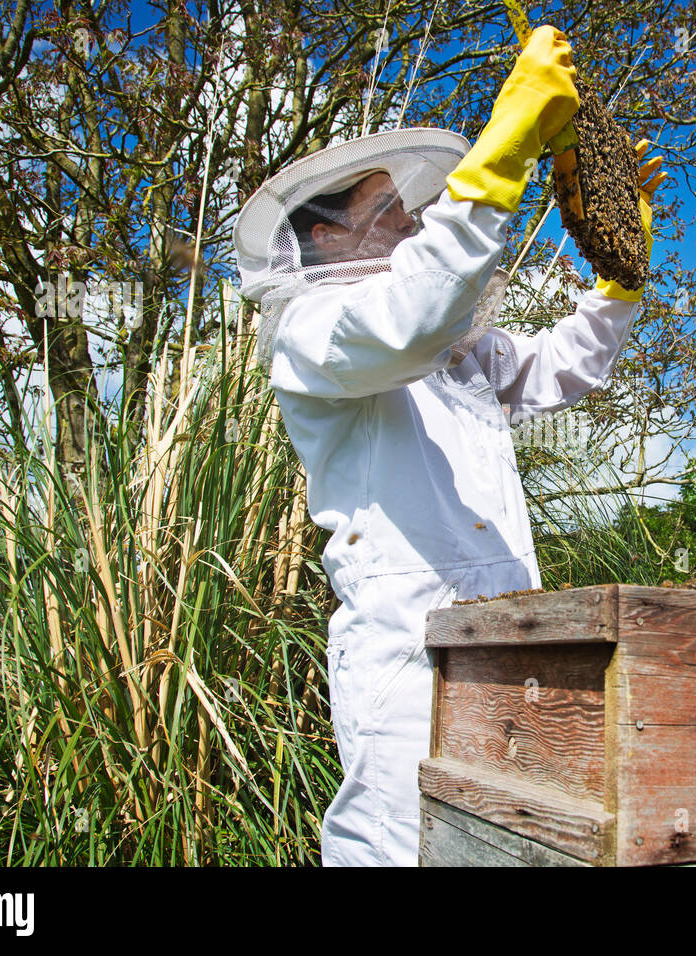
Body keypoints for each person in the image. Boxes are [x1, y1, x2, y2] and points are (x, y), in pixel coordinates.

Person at [233, 24, 666, 866]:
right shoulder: (313, 332)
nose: (409, 215)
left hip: (513, 641)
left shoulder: (459, 355)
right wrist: (506, 141)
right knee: (402, 846)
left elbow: (563, 368)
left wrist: (619, 282)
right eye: (383, 208)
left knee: (505, 844)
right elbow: (409, 315)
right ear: (324, 237)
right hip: (407, 656)